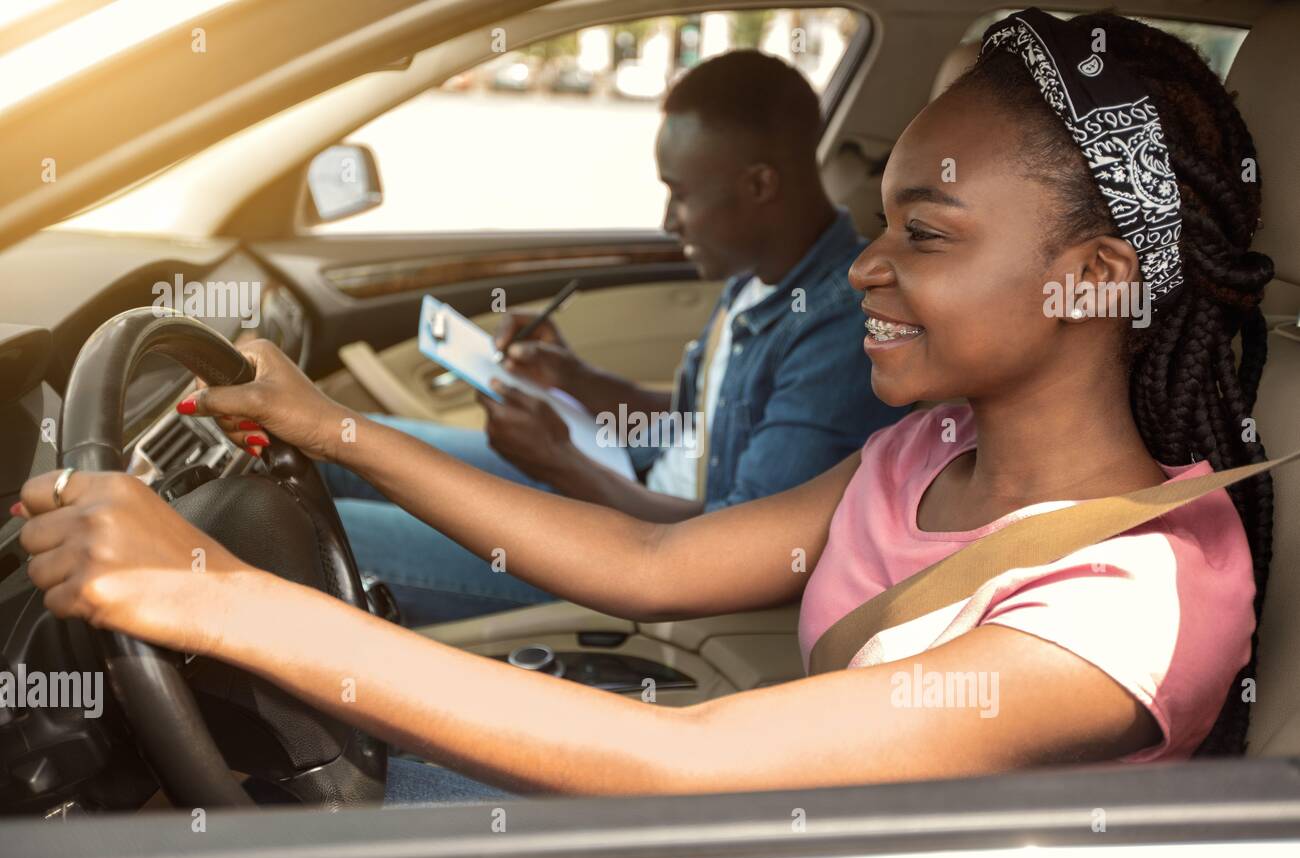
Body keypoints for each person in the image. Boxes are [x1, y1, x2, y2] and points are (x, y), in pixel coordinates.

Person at [16, 10, 1273, 805]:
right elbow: (657, 556)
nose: (863, 267)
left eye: (923, 235)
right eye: (880, 220)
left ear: (1092, 278)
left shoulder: (1132, 600)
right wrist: (330, 427)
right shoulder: (931, 448)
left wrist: (219, 595)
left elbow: (692, 763)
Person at [310, 50, 906, 625]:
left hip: (636, 555)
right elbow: (695, 429)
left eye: (682, 193)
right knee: (341, 451)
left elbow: (721, 548)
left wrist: (561, 462)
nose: (667, 221)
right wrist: (574, 380)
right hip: (626, 482)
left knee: (318, 533)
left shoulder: (836, 326)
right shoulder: (759, 276)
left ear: (759, 186)